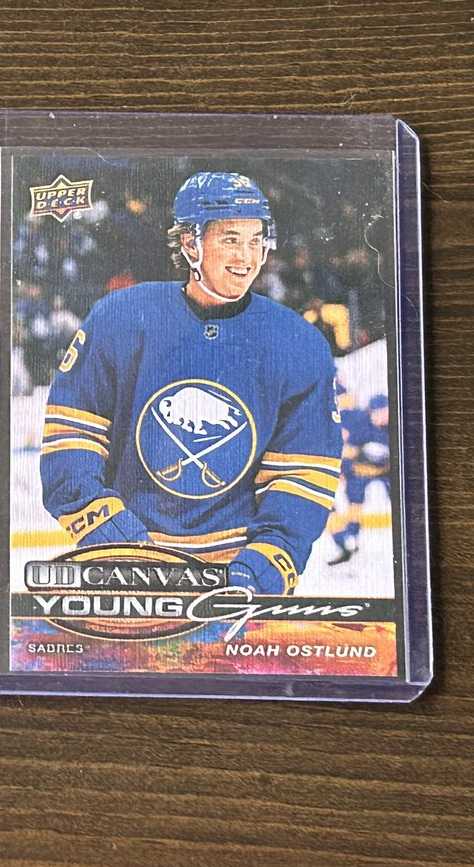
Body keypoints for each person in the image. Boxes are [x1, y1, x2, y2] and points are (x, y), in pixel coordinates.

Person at [40, 172, 343, 595]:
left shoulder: (299, 343)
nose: (247, 257)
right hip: (126, 567)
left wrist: (264, 564)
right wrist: (112, 537)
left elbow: (303, 475)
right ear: (190, 243)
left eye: (256, 240)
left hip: (237, 571)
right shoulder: (120, 317)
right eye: (231, 240)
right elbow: (71, 440)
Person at [330, 393, 390, 565]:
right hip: (360, 472)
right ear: (370, 412)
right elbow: (348, 454)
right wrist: (344, 472)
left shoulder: (394, 428)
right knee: (352, 501)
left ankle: (349, 539)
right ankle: (347, 540)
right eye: (378, 412)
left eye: (385, 412)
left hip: (386, 471)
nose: (382, 417)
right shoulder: (361, 426)